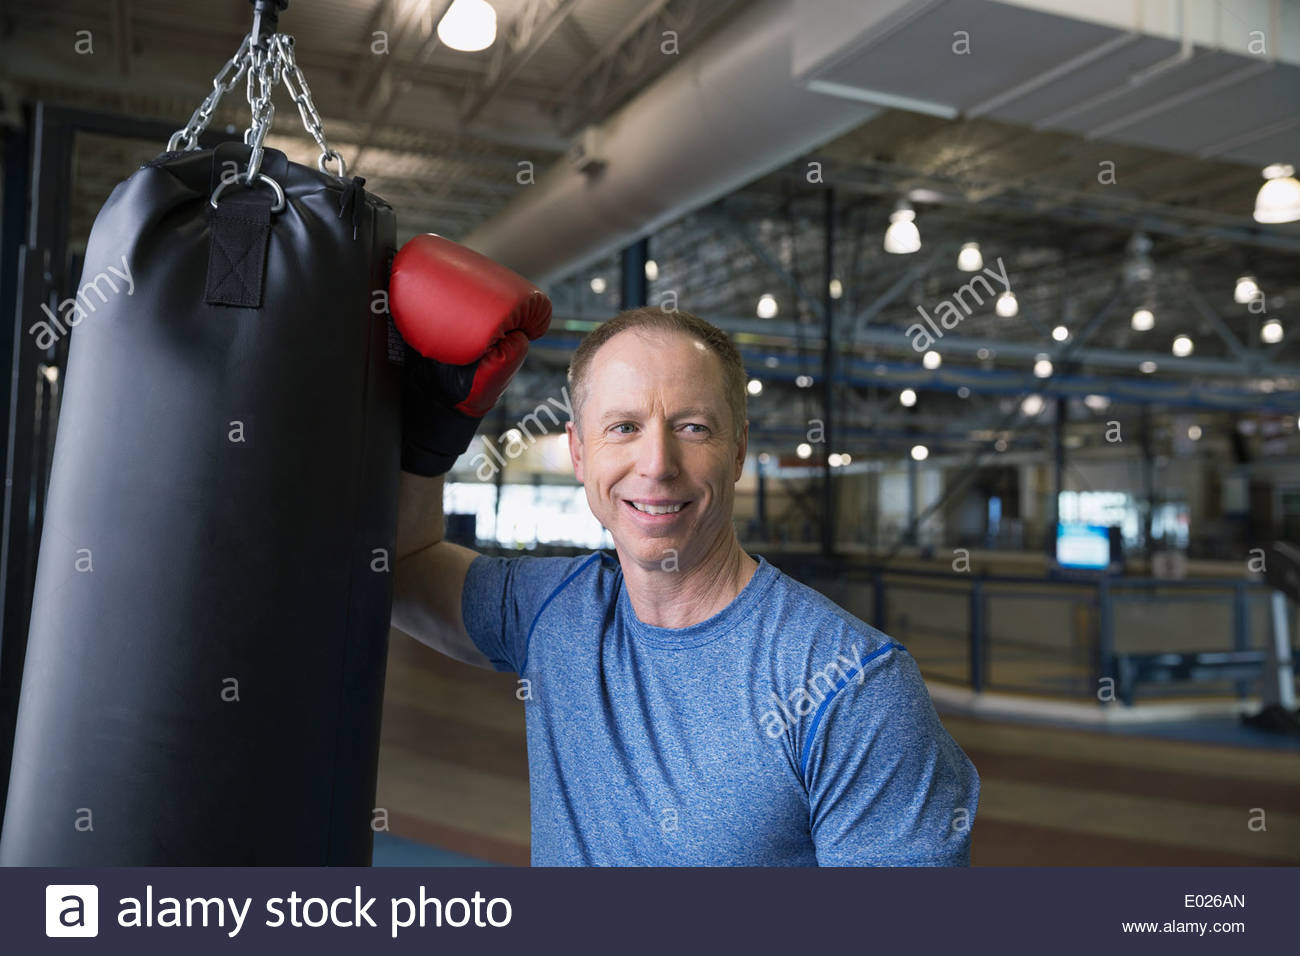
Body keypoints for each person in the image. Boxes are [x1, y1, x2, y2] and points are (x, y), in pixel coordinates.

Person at [391, 267, 979, 865]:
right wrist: (431, 437)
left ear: (739, 451)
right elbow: (402, 566)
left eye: (692, 428)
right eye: (623, 427)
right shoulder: (553, 611)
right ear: (577, 451)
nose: (657, 464)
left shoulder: (852, 685)